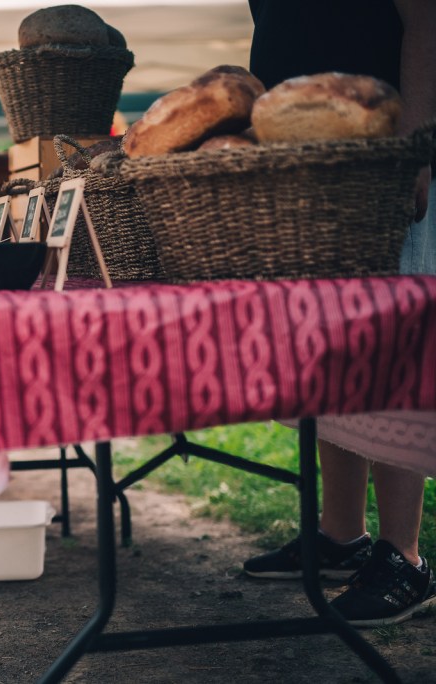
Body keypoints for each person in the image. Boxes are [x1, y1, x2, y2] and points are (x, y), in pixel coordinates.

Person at [242, 0, 436, 627]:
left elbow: (427, 18)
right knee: (332, 345)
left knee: (390, 345)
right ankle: (342, 535)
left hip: (384, 156)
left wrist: (415, 146)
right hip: (308, 163)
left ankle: (404, 556)